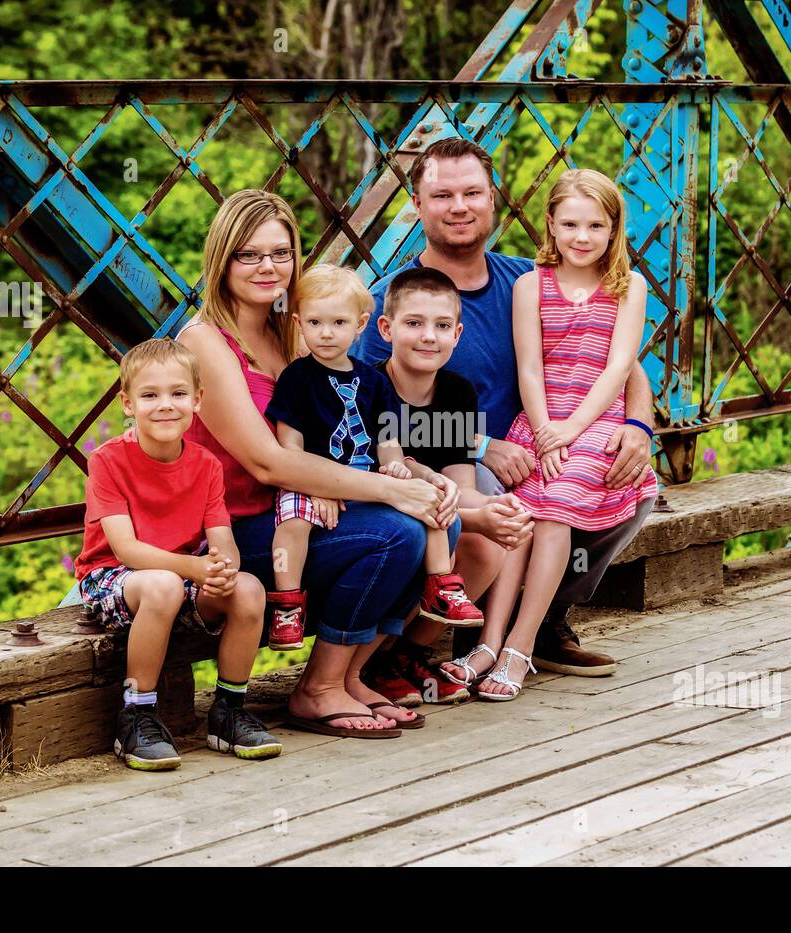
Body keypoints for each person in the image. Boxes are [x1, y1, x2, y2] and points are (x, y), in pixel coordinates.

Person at [355, 138, 659, 683]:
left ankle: (542, 620)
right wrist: (482, 445)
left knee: (635, 484)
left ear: (493, 199)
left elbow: (622, 362)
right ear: (416, 204)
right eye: (442, 194)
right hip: (452, 462)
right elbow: (374, 416)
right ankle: (425, 648)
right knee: (519, 508)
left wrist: (637, 424)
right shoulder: (397, 303)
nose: (459, 206)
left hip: (546, 440)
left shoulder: (527, 278)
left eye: (473, 192)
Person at [176, 189, 459, 738]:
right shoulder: (206, 342)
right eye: (248, 254)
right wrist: (387, 490)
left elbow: (338, 434)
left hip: (300, 512)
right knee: (395, 532)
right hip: (229, 533)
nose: (267, 268)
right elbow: (265, 462)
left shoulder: (297, 334)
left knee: (443, 520)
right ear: (222, 259)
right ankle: (317, 688)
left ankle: (349, 676)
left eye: (280, 254)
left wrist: (419, 479)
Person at [443, 168, 659, 700]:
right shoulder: (530, 284)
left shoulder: (628, 286)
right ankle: (488, 644)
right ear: (551, 225)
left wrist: (573, 429)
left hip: (595, 418)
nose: (581, 237)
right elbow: (531, 368)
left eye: (595, 226)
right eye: (569, 224)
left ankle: (521, 644)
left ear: (614, 230)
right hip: (541, 419)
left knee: (556, 506)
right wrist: (543, 429)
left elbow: (620, 368)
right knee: (522, 509)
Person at [75, 338, 281, 769]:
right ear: (127, 403)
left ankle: (228, 711)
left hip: (182, 576)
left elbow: (221, 535)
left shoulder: (206, 464)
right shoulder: (109, 461)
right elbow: (126, 549)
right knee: (164, 585)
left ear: (198, 400)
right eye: (149, 395)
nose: (165, 405)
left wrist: (224, 568)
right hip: (115, 577)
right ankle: (137, 714)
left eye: (178, 393)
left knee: (249, 590)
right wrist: (194, 567)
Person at [263, 263, 484, 654]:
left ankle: (441, 584)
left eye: (338, 322)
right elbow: (288, 449)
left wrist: (398, 465)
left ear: (361, 324)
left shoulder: (373, 381)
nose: (327, 332)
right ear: (298, 322)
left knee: (424, 499)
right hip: (309, 484)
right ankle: (287, 604)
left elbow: (387, 439)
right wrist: (313, 487)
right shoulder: (297, 378)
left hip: (365, 479)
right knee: (294, 522)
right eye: (315, 322)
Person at [359, 267, 536, 706]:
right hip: (385, 514)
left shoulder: (457, 392)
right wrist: (476, 516)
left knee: (490, 544)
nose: (428, 337)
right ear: (386, 328)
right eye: (414, 323)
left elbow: (462, 483)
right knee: (444, 536)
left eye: (441, 326)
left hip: (438, 513)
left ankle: (405, 655)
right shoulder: (370, 390)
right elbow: (386, 489)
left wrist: (498, 507)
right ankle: (367, 661)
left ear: (457, 334)